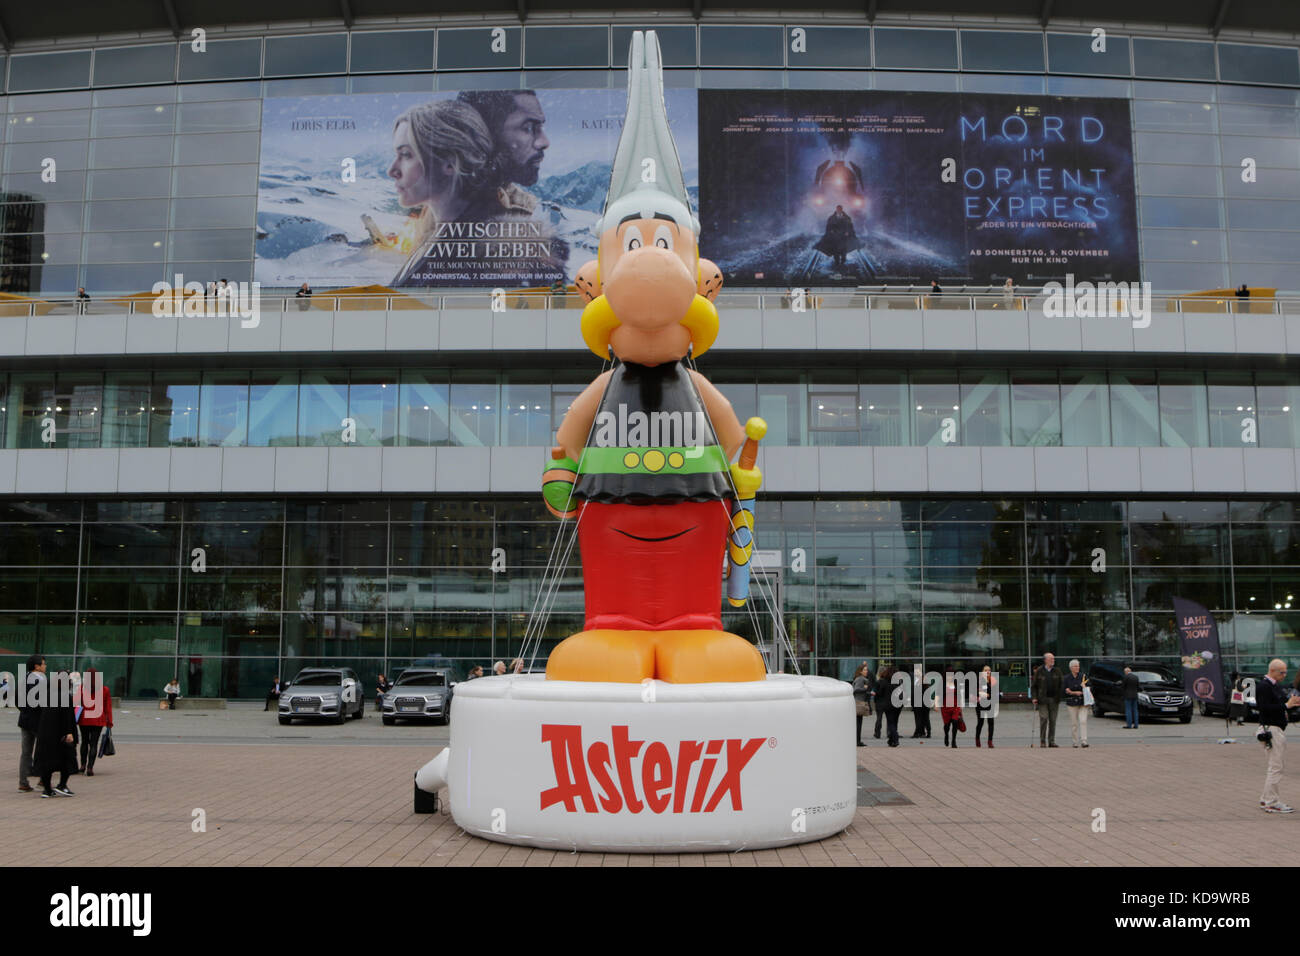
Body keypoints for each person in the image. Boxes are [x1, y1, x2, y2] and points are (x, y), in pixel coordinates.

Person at [1257, 658, 1300, 812]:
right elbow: (1264, 707)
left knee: (1275, 766)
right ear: (1273, 671)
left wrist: (1292, 702)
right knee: (1276, 767)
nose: (1284, 675)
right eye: (1282, 672)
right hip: (1271, 729)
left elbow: (1282, 701)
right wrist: (1285, 705)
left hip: (1276, 728)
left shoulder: (1274, 686)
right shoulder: (1264, 686)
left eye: (1286, 672)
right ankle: (1271, 801)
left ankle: (1266, 799)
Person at [35, 671, 78, 797]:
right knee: (68, 759)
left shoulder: (46, 694)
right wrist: (69, 732)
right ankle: (62, 785)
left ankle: (47, 789)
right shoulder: (65, 696)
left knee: (46, 761)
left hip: (45, 733)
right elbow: (68, 717)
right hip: (61, 734)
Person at [18, 654, 46, 792]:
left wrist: (24, 711)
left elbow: (17, 698)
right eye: (43, 664)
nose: (45, 666)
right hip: (39, 721)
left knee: (26, 752)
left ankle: (23, 782)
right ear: (37, 666)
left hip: (25, 720)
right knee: (43, 750)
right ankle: (43, 779)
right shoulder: (41, 681)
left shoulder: (24, 679)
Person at [76, 668, 112, 776]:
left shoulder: (82, 688)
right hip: (98, 720)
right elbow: (108, 708)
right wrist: (109, 722)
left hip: (84, 719)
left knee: (84, 742)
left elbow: (77, 704)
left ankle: (82, 765)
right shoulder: (104, 689)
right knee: (94, 743)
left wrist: (74, 719)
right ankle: (90, 767)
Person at [814, 204, 860, 271]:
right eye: (838, 209)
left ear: (842, 210)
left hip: (844, 236)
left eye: (840, 209)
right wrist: (831, 232)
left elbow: (850, 226)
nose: (839, 210)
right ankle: (837, 262)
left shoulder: (847, 218)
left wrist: (848, 232)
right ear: (836, 210)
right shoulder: (831, 218)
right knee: (835, 250)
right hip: (835, 237)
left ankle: (843, 261)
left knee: (844, 250)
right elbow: (828, 227)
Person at [1031, 652, 1063, 747]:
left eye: (1053, 659)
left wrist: (1059, 695)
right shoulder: (1039, 671)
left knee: (1053, 720)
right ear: (1045, 660)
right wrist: (1034, 697)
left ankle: (1051, 741)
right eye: (1051, 659)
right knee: (1044, 718)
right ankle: (1042, 740)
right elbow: (1034, 686)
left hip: (1054, 699)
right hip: (1042, 699)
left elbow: (1062, 684)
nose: (1053, 660)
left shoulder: (1057, 671)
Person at [1063, 658, 1089, 748]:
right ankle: (1075, 741)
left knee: (1083, 721)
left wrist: (1085, 687)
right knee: (1074, 723)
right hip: (1071, 703)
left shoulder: (1083, 676)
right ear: (1071, 668)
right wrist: (1072, 692)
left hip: (1083, 702)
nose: (1077, 668)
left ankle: (1084, 741)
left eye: (1078, 666)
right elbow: (1064, 690)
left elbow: (1090, 688)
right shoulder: (1066, 678)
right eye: (1075, 666)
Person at [875, 665, 902, 747]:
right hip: (898, 704)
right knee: (895, 722)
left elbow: (879, 693)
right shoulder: (899, 681)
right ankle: (891, 740)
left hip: (888, 705)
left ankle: (895, 739)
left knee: (890, 722)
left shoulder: (883, 681)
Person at [939, 675, 965, 748]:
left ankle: (953, 740)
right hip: (945, 707)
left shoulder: (957, 685)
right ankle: (946, 735)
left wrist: (961, 706)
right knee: (947, 725)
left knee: (955, 721)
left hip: (955, 706)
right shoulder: (942, 685)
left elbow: (961, 695)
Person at [975, 664, 997, 748]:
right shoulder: (979, 681)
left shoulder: (993, 680)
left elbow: (995, 692)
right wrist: (985, 694)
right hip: (980, 704)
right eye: (985, 670)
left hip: (990, 704)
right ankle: (977, 739)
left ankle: (990, 741)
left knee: (991, 722)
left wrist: (989, 695)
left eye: (989, 670)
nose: (988, 671)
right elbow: (975, 692)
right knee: (980, 722)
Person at [852, 663, 871, 747]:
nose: (867, 671)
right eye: (865, 670)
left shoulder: (860, 678)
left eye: (867, 670)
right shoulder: (860, 679)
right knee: (858, 723)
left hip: (858, 702)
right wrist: (865, 689)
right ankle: (857, 741)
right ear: (860, 671)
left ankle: (858, 740)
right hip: (858, 703)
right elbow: (856, 690)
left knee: (858, 723)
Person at [910, 665, 931, 739]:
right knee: (925, 718)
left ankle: (917, 733)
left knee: (919, 718)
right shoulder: (924, 679)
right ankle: (926, 732)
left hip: (919, 702)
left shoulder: (917, 681)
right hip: (924, 702)